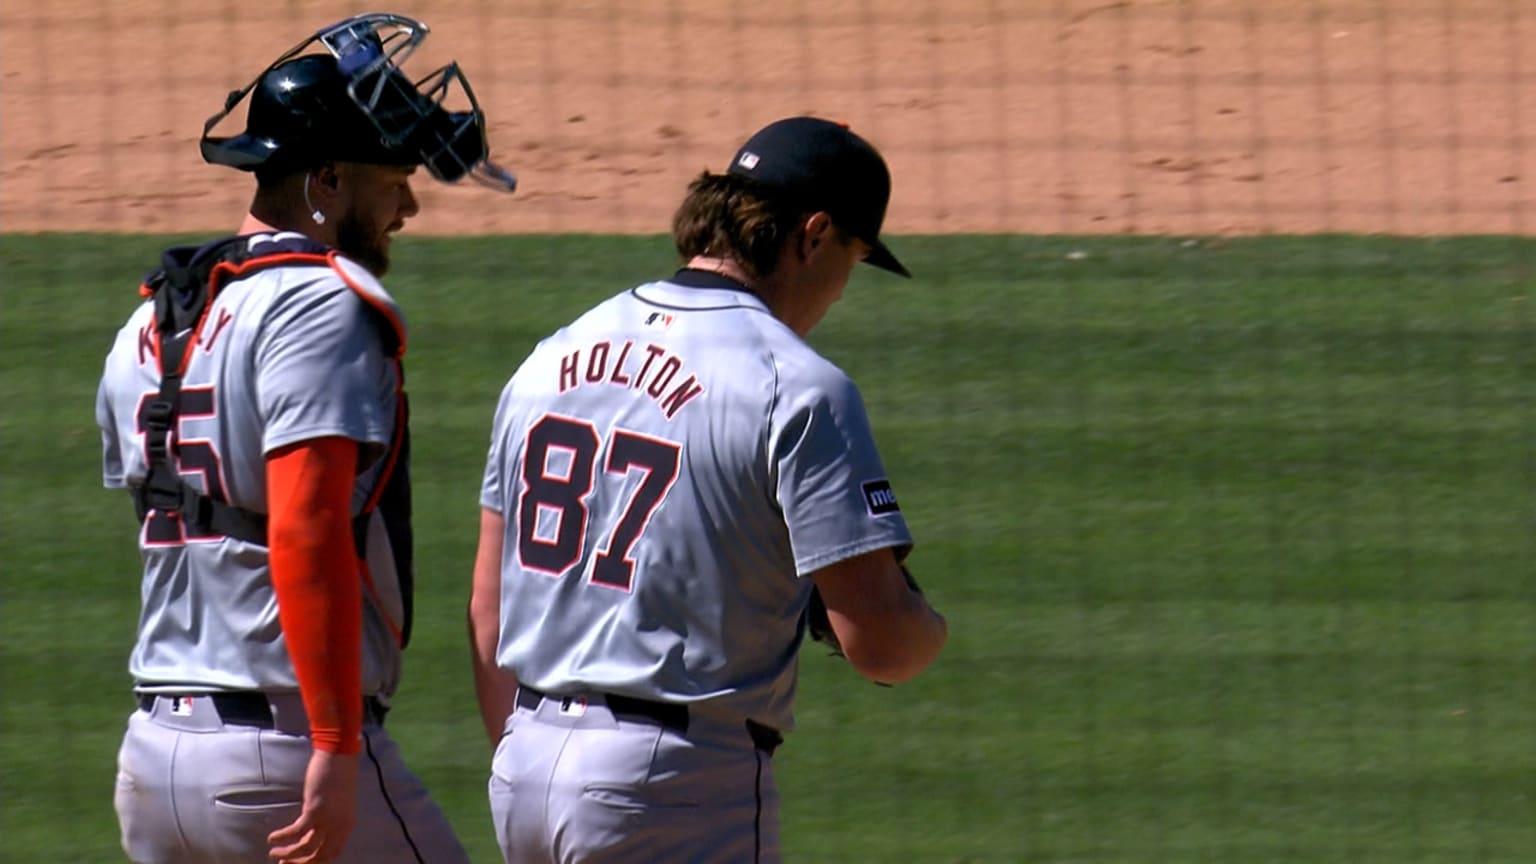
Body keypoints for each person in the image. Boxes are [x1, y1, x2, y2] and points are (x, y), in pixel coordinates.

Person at [468, 115, 949, 863]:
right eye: (851, 260)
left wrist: (530, 763)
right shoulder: (795, 384)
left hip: (524, 771)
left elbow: (488, 610)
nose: (840, 293)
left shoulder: (550, 358)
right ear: (814, 236)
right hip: (673, 790)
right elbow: (881, 644)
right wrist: (928, 624)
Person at [95, 13, 515, 863]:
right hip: (279, 752)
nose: (408, 206)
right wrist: (333, 740)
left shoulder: (149, 324)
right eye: (391, 180)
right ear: (325, 179)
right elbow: (306, 526)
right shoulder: (318, 304)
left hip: (155, 761)